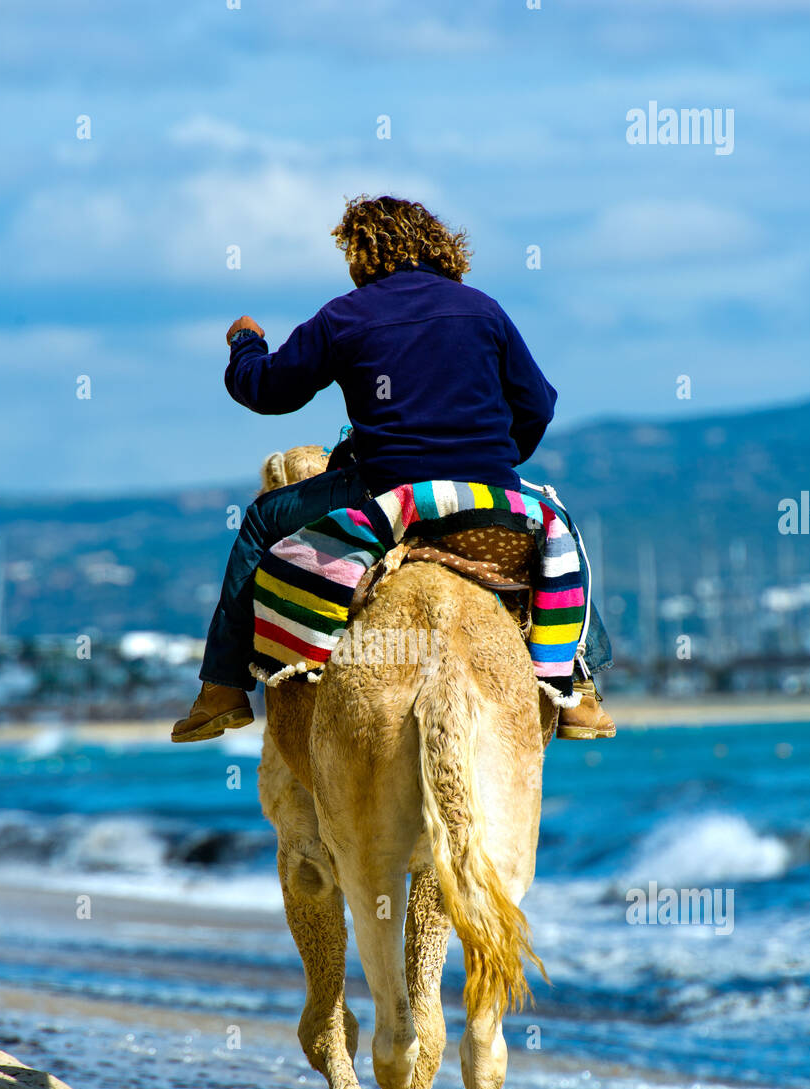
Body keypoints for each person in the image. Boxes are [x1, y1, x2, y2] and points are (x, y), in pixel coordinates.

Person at [172, 194, 614, 743]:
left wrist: (246, 343)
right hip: (488, 485)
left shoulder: (345, 315)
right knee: (560, 530)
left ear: (362, 252)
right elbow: (538, 407)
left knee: (261, 519)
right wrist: (490, 461)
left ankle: (223, 689)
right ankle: (579, 690)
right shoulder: (482, 308)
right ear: (436, 245)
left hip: (387, 490)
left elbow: (266, 391)